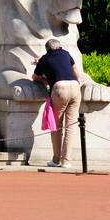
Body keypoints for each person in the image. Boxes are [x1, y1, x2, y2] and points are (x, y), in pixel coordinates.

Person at [31, 38, 82, 167]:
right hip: (75, 87)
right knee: (70, 126)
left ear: (47, 49)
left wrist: (44, 78)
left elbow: (35, 77)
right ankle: (66, 161)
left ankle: (56, 160)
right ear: (59, 47)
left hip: (60, 89)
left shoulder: (45, 58)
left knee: (56, 126)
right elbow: (75, 70)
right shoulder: (66, 54)